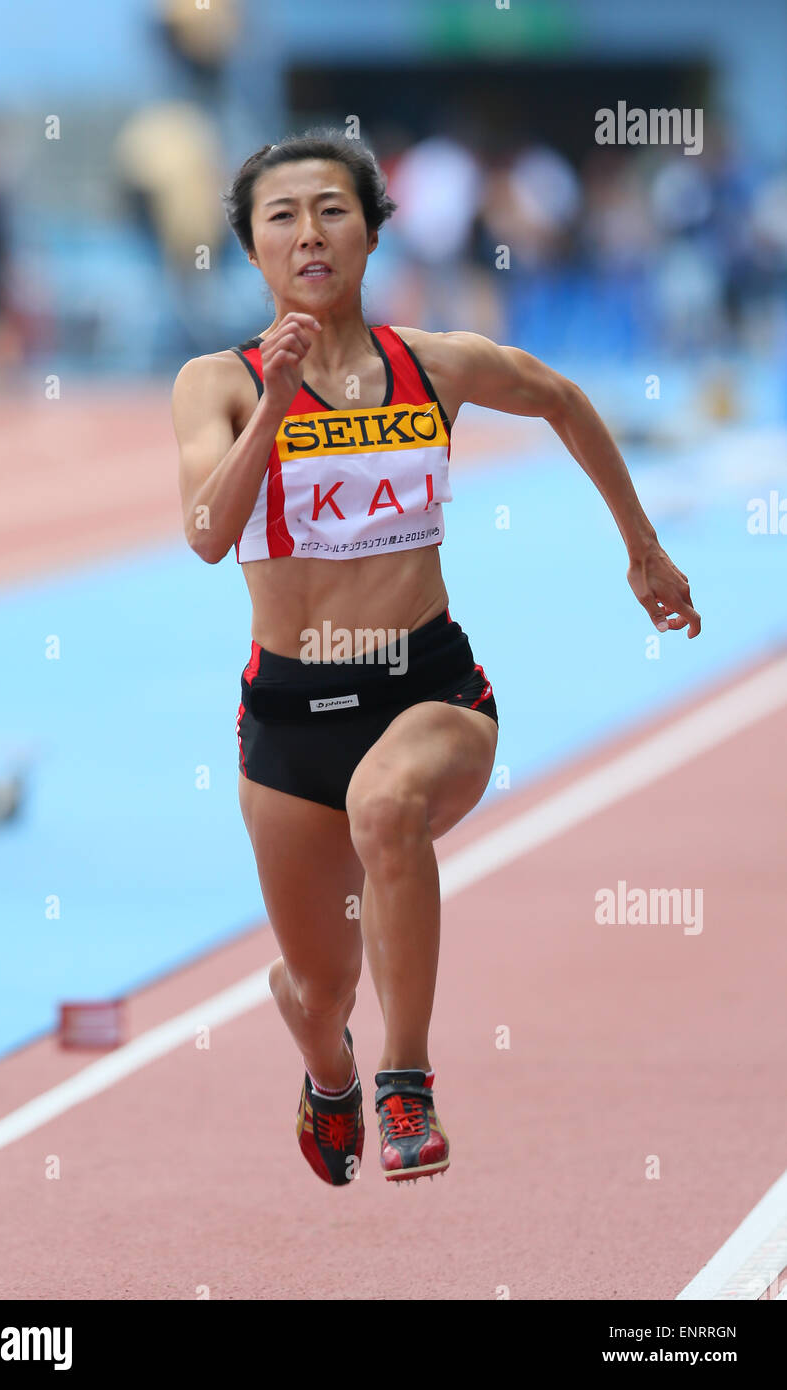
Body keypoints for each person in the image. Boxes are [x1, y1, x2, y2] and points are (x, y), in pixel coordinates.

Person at [171, 129, 701, 1187]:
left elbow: (555, 395)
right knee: (322, 991)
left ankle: (404, 1078)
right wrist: (273, 407)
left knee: (387, 806)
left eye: (332, 209)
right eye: (281, 216)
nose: (309, 233)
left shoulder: (434, 365)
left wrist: (640, 548)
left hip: (428, 689)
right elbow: (204, 528)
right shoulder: (215, 383)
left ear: (370, 231)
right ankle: (328, 1065)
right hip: (286, 718)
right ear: (252, 250)